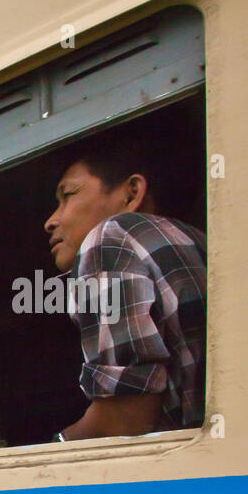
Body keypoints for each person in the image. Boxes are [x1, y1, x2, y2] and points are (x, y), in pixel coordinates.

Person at [43, 136, 207, 440]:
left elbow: (126, 417)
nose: (50, 221)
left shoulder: (111, 236)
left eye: (68, 195)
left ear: (132, 193)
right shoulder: (201, 240)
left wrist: (56, 445)